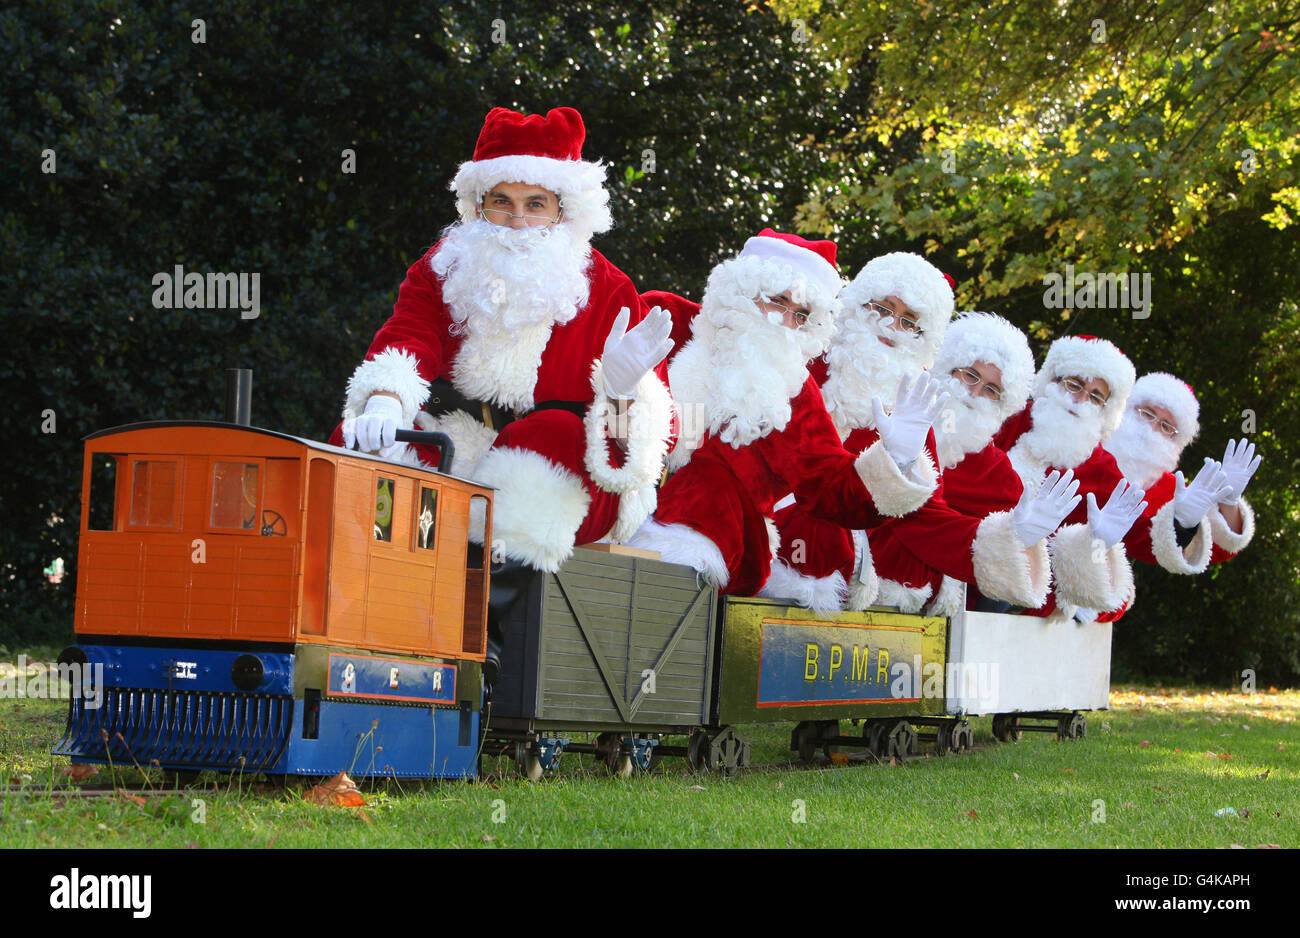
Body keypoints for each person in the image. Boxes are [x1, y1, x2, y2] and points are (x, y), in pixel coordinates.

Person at [329, 106, 675, 576]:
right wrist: (387, 401)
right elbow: (408, 336)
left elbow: (650, 436)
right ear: (478, 205)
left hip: (566, 467)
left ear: (562, 211)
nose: (516, 221)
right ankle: (373, 586)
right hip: (457, 440)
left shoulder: (611, 288)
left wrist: (620, 393)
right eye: (501, 202)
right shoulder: (443, 265)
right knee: (362, 440)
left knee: (550, 433)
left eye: (535, 204)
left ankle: (497, 603)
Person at [627, 231, 945, 599]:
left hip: (712, 541)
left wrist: (897, 460)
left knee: (712, 488)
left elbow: (829, 486)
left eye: (802, 315)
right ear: (744, 289)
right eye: (778, 302)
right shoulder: (668, 318)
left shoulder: (794, 389)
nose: (786, 322)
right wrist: (618, 393)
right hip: (619, 506)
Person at [762, 252, 956, 612]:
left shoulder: (911, 407)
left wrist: (1006, 540)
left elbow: (927, 512)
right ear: (857, 301)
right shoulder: (804, 361)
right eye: (883, 308)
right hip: (771, 535)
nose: (890, 325)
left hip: (854, 567)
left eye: (908, 321)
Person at [866, 312, 1075, 616]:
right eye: (970, 375)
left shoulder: (994, 471)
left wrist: (1017, 539)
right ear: (946, 366)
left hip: (932, 628)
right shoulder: (888, 415)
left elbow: (1023, 574)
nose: (974, 393)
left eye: (991, 390)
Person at [995, 334, 1148, 621]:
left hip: (1028, 620)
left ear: (1106, 409)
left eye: (1095, 396)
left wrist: (1095, 549)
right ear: (1052, 381)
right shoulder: (1007, 420)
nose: (1080, 400)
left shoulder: (1102, 467)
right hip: (959, 571)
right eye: (1074, 384)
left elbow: (1138, 543)